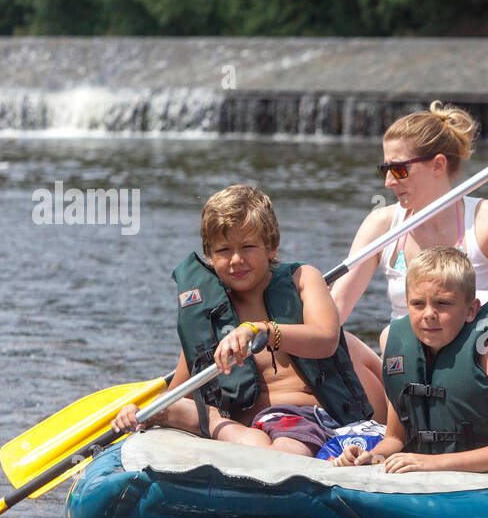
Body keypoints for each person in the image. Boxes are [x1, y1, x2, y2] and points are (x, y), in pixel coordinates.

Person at [113, 184, 376, 457]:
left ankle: (213, 423)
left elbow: (326, 340)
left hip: (302, 418)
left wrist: (261, 330)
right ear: (210, 256)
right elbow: (181, 389)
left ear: (271, 247)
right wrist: (142, 412)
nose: (236, 260)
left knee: (285, 451)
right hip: (244, 428)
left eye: (248, 247)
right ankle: (211, 421)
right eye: (224, 250)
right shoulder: (210, 315)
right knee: (181, 411)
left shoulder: (303, 279)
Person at [331, 101, 488, 360]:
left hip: (473, 364)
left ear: (438, 165)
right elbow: (337, 308)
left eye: (399, 169)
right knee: (335, 341)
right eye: (385, 169)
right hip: (405, 364)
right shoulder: (381, 224)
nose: (388, 182)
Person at [334, 246, 488, 473]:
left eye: (442, 304)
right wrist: (369, 457)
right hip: (425, 475)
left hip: (486, 480)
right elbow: (396, 439)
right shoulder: (400, 354)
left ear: (471, 310)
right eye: (418, 304)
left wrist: (431, 463)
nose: (429, 314)